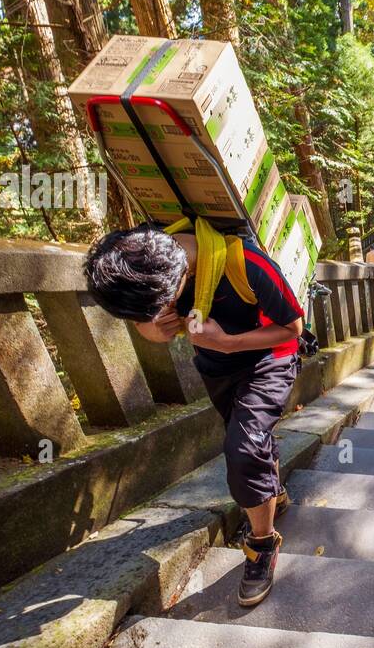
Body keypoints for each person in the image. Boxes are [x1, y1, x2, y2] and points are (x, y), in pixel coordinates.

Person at [84, 225, 303, 608]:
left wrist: (229, 342)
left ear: (179, 279)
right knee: (248, 438)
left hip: (270, 359)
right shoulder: (149, 258)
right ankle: (272, 493)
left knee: (243, 446)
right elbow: (149, 329)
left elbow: (292, 329)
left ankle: (262, 543)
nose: (162, 312)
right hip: (216, 366)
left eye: (160, 305)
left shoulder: (247, 264)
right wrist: (155, 329)